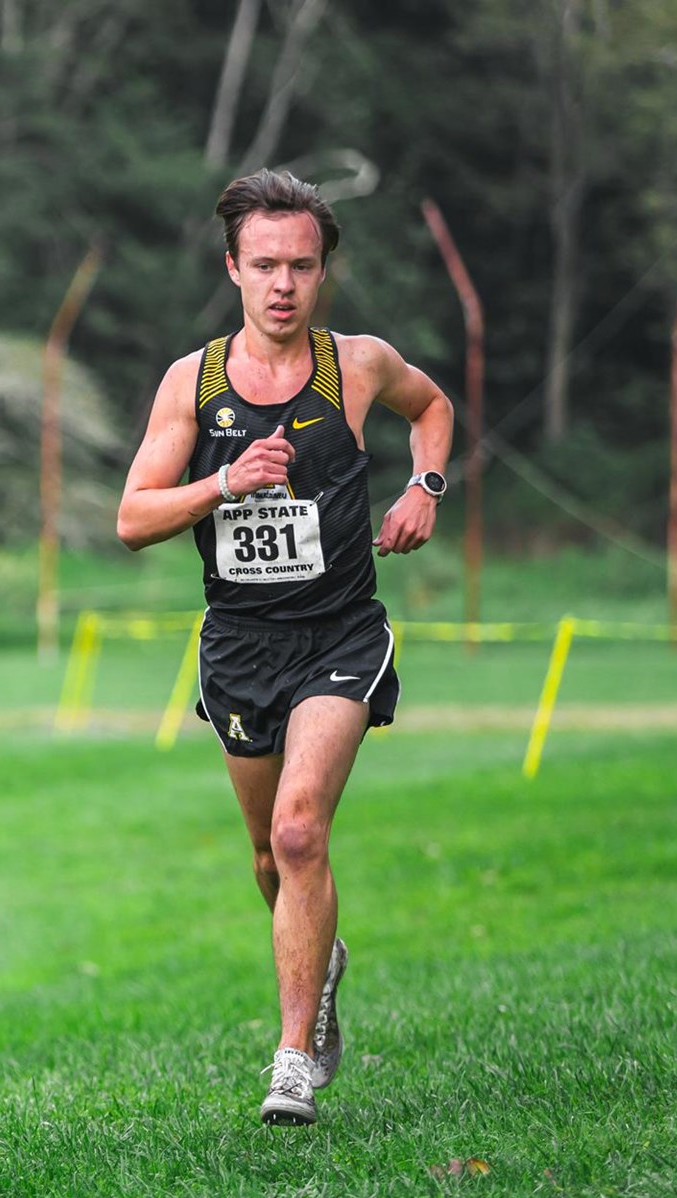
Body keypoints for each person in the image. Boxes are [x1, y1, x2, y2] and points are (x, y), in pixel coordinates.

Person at [117, 170, 452, 1126]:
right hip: (239, 643)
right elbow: (132, 519)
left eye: (302, 266)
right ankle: (323, 956)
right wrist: (222, 487)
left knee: (303, 831)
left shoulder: (360, 365)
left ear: (322, 272)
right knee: (270, 857)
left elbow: (434, 410)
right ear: (232, 268)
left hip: (342, 631)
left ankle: (293, 1058)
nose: (283, 284)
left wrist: (424, 486)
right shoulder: (195, 382)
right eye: (264, 265)